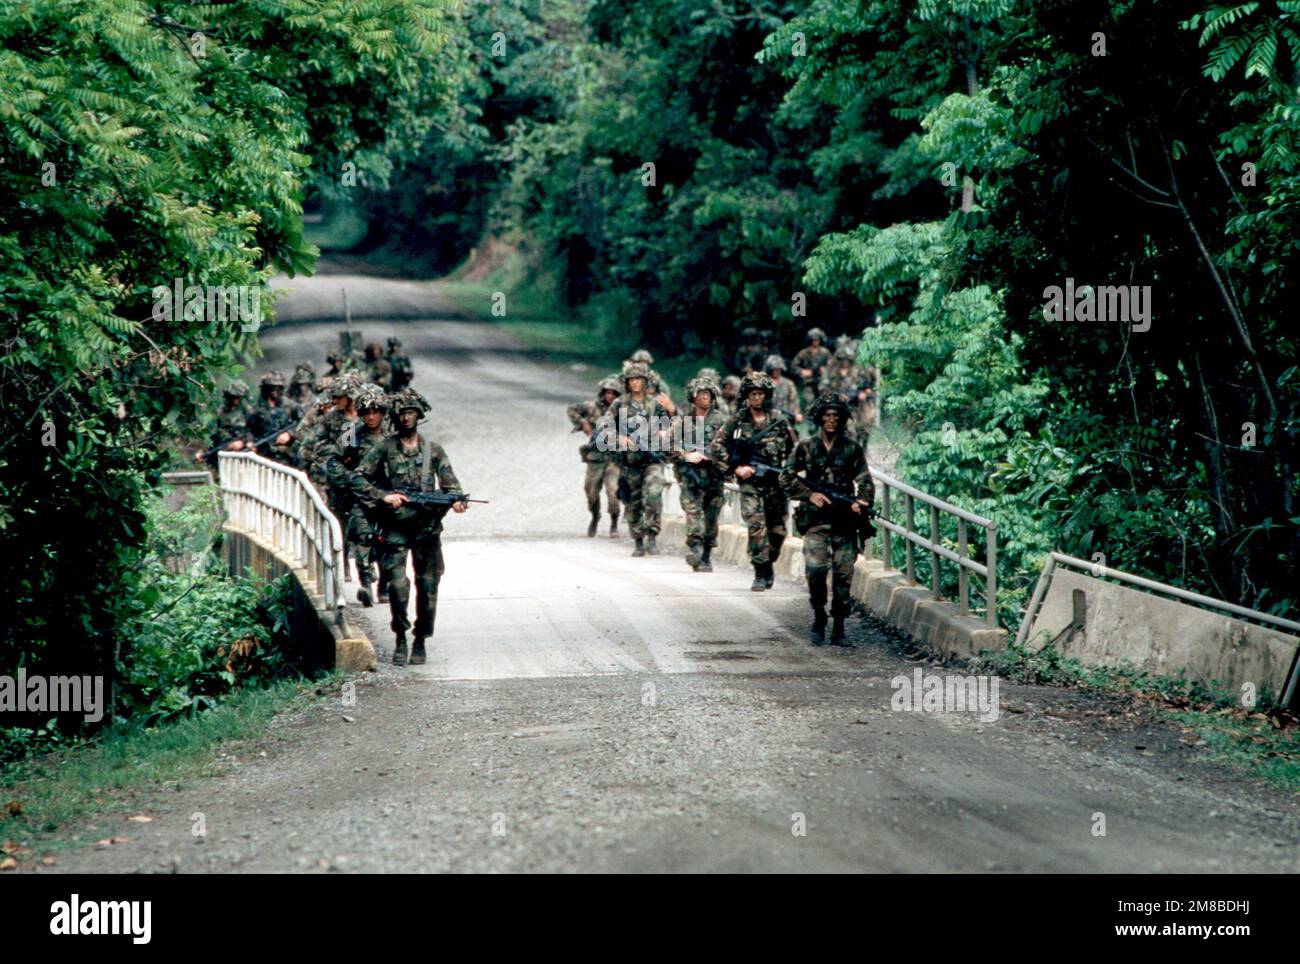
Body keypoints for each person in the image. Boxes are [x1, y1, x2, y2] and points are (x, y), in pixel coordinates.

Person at [356, 388, 469, 666]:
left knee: (428, 586)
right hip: (395, 528)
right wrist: (384, 496)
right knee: (397, 587)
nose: (406, 418)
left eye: (411, 413)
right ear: (394, 417)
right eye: (401, 413)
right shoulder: (384, 447)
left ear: (419, 416)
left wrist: (456, 502)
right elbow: (359, 479)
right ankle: (400, 637)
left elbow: (452, 487)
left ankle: (420, 638)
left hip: (427, 529)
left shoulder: (433, 450)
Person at [781, 392, 874, 646]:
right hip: (816, 521)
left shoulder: (852, 448)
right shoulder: (806, 447)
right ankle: (819, 615)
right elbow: (786, 477)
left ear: (842, 419)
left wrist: (862, 503)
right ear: (819, 419)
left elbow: (865, 480)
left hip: (845, 521)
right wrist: (810, 494)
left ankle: (840, 627)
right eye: (827, 415)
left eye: (836, 416)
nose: (831, 420)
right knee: (816, 569)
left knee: (844, 574)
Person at [711, 371, 797, 591]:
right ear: (746, 396)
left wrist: (791, 474)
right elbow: (717, 446)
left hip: (775, 483)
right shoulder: (737, 421)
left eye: (760, 393)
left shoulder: (779, 420)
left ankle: (768, 563)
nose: (756, 398)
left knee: (778, 531)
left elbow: (796, 451)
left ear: (766, 395)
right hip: (750, 483)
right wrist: (736, 467)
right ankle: (759, 572)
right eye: (752, 393)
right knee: (756, 526)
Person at [330, 384, 393, 608]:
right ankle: (365, 582)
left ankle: (384, 584)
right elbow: (334, 462)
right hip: (361, 495)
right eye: (367, 412)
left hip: (389, 495)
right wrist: (350, 479)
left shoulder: (393, 434)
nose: (372, 416)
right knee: (363, 536)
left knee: (389, 540)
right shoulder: (351, 433)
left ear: (384, 412)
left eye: (376, 411)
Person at [611, 361, 673, 556]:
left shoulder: (655, 403)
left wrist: (670, 414)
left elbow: (674, 424)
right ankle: (638, 539)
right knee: (633, 502)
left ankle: (652, 535)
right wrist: (620, 439)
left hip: (652, 460)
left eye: (639, 379)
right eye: (632, 379)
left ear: (645, 381)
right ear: (627, 382)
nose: (636, 383)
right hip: (630, 463)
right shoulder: (619, 404)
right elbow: (603, 428)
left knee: (654, 493)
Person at [672, 376, 728, 572]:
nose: (705, 397)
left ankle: (706, 556)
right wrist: (687, 456)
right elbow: (670, 444)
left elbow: (732, 447)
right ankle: (695, 548)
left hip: (714, 476)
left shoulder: (722, 420)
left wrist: (715, 457)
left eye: (708, 394)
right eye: (701, 394)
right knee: (693, 513)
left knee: (711, 518)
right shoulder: (683, 421)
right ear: (693, 397)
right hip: (691, 477)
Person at [567, 376, 623, 538]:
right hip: (596, 456)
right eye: (607, 393)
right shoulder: (592, 407)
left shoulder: (622, 409)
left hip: (614, 456)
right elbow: (572, 409)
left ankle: (614, 522)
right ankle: (595, 516)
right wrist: (582, 423)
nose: (610, 396)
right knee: (591, 491)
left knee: (613, 491)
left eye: (614, 393)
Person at [245, 371, 302, 467]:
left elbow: (304, 424)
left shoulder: (291, 406)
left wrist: (289, 434)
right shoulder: (256, 409)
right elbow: (248, 428)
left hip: (287, 455)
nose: (275, 390)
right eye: (271, 388)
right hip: (263, 454)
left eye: (278, 388)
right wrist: (250, 441)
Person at [199, 380, 252, 465]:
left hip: (242, 454)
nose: (235, 400)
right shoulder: (221, 411)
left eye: (238, 397)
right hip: (223, 450)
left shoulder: (248, 412)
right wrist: (203, 451)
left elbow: (254, 432)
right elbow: (214, 433)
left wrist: (244, 442)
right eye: (233, 397)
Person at [792, 327, 832, 410]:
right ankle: (810, 422)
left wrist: (825, 370)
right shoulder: (804, 353)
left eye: (817, 339)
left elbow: (833, 366)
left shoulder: (825, 352)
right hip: (809, 383)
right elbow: (793, 366)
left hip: (822, 383)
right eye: (813, 339)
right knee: (809, 405)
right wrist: (802, 371)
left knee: (825, 404)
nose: (815, 341)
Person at [765, 354, 803, 426]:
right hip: (768, 418)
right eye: (774, 369)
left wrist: (796, 414)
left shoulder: (788, 383)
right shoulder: (765, 383)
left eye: (778, 369)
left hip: (786, 417)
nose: (776, 371)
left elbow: (794, 401)